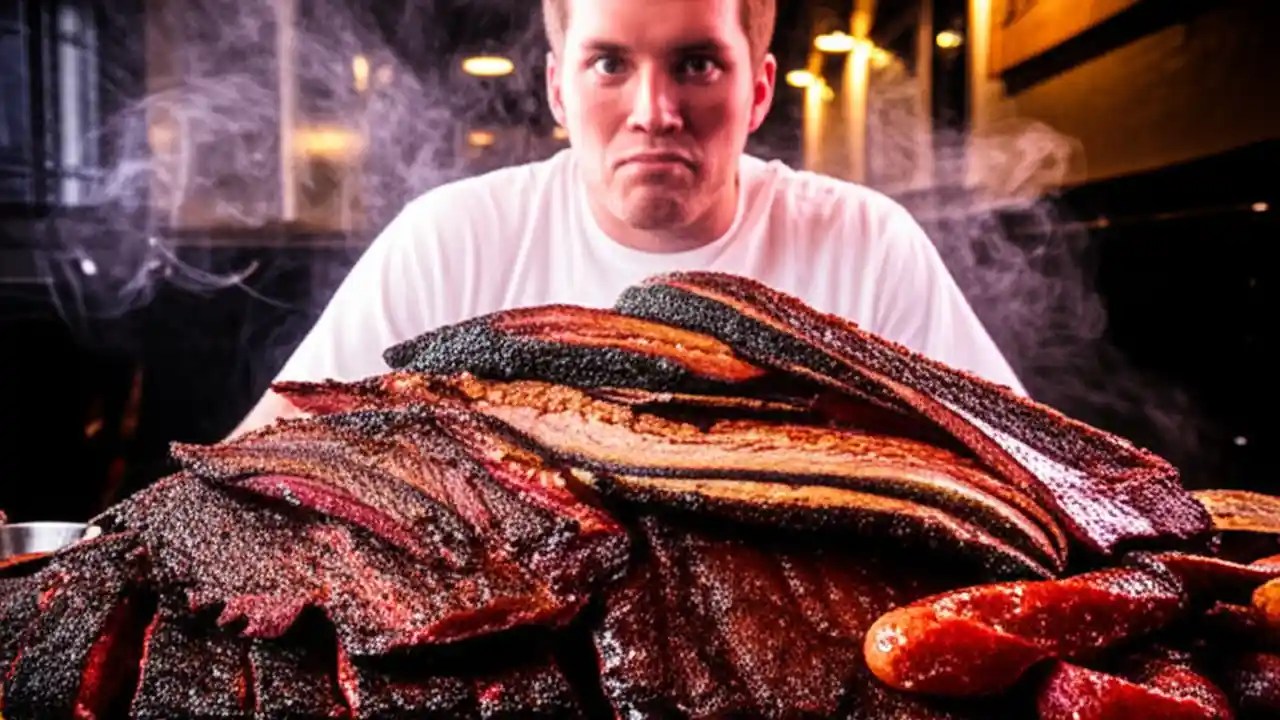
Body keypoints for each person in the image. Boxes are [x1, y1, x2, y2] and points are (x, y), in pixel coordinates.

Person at [230, 0, 1025, 438]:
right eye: (610, 64)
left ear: (757, 90)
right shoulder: (451, 238)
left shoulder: (865, 243)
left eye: (697, 64)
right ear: (556, 89)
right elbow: (256, 462)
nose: (654, 112)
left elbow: (1031, 476)